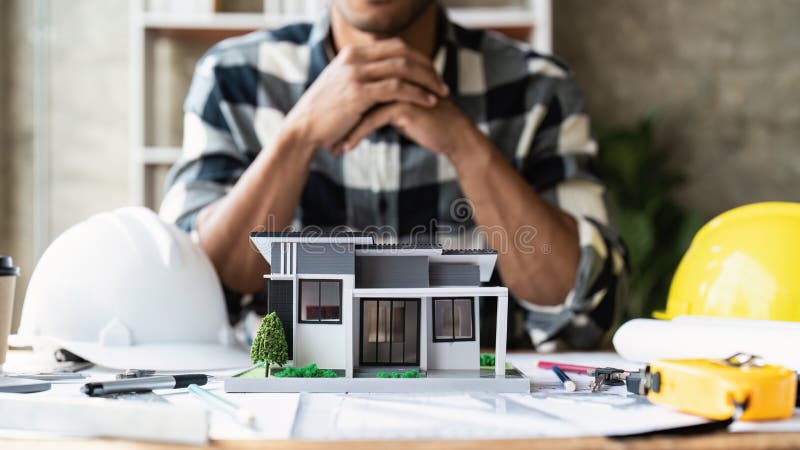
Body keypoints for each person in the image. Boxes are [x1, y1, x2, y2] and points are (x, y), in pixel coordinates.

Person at [160, 0, 626, 350]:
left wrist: (465, 145)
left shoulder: (539, 87)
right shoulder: (232, 77)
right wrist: (297, 137)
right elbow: (182, 297)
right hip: (278, 414)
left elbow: (584, 310)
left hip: (482, 419)